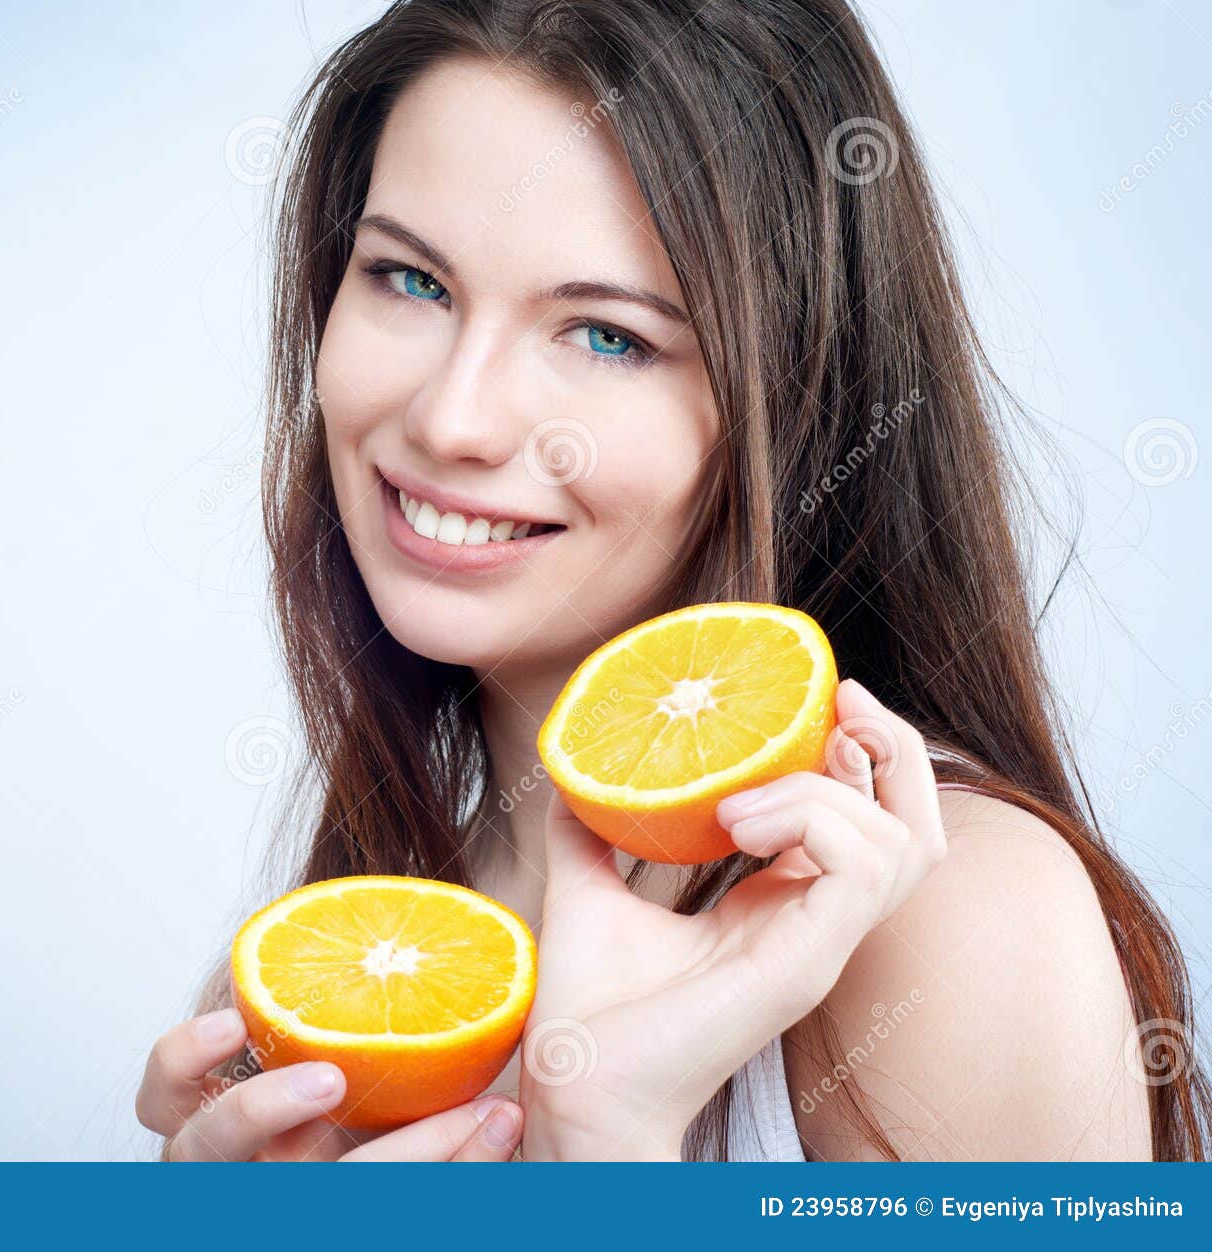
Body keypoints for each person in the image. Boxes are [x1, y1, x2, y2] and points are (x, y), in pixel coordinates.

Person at [136, 0, 1209, 1161]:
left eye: (606, 338)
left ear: (800, 405)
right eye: (411, 280)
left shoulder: (944, 924)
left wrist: (608, 1151)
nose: (452, 419)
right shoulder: (324, 974)